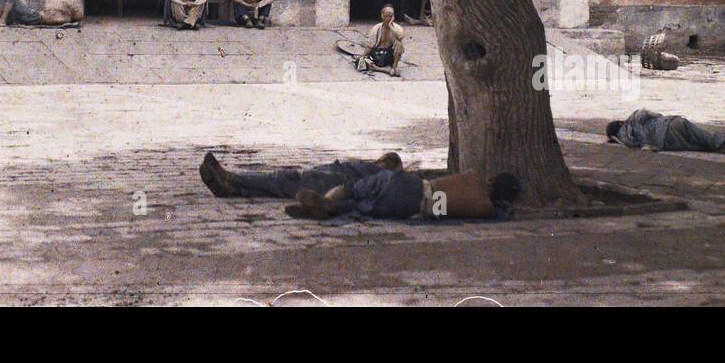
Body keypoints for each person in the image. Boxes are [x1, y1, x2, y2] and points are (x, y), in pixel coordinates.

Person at [287, 167, 522, 222]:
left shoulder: (475, 176)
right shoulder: (485, 208)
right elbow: (500, 214)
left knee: (353, 188)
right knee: (360, 208)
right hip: (410, 206)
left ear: (493, 179)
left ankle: (327, 201)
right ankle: (329, 210)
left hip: (409, 183)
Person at [199, 151, 402, 199]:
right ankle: (234, 187)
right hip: (327, 179)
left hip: (326, 181)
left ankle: (232, 178)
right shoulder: (376, 175)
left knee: (279, 180)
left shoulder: (377, 173)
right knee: (277, 186)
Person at [605, 109, 725, 158]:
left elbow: (645, 147)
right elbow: (656, 115)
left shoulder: (627, 140)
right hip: (673, 123)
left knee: (710, 149)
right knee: (715, 140)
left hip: (669, 143)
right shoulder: (635, 116)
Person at [358, 4, 404, 75]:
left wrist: (390, 25)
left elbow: (400, 37)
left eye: (390, 16)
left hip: (390, 56)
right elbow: (370, 45)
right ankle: (385, 70)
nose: (388, 18)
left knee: (399, 44)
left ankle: (394, 67)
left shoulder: (397, 28)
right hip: (377, 55)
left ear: (393, 17)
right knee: (360, 63)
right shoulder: (376, 28)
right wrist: (363, 56)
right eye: (386, 16)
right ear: (382, 16)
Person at [0, 0, 81, 28]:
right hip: (34, 13)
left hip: (35, 17)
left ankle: (1, 21)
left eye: (75, 11)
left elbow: (48, 21)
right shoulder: (63, 14)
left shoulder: (64, 18)